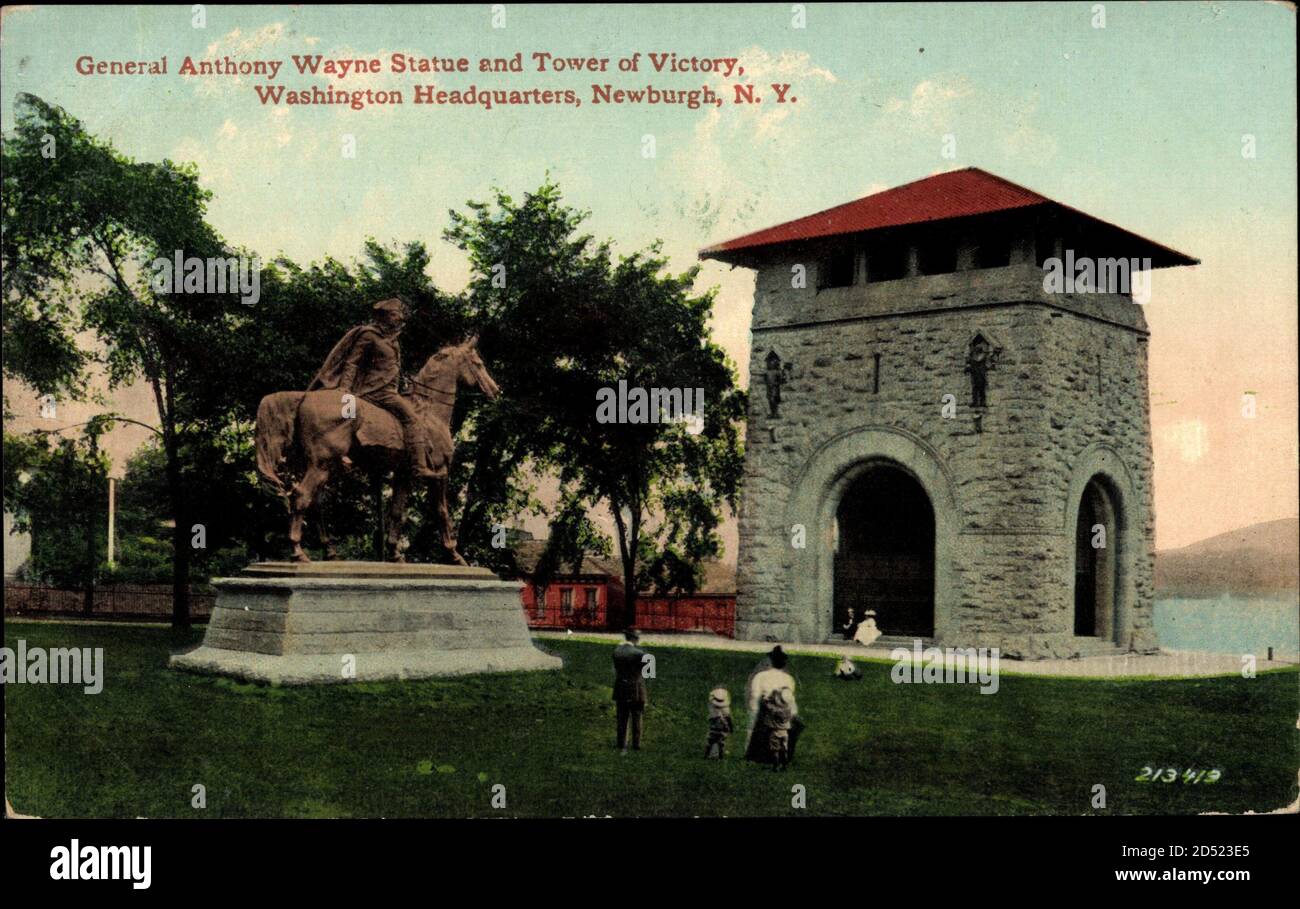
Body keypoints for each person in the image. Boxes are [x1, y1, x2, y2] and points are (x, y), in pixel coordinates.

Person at [309, 297, 436, 478]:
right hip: (377, 392)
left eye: (399, 315)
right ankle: (419, 466)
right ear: (384, 317)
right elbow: (352, 362)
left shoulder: (392, 339)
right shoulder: (369, 335)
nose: (399, 318)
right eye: (394, 315)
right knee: (412, 419)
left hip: (391, 389)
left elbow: (389, 368)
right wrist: (344, 388)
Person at [745, 646, 804, 765]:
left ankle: (760, 755)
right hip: (783, 710)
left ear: (771, 661)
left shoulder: (761, 676)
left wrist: (755, 712)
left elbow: (755, 696)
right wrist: (792, 714)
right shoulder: (789, 679)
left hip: (766, 710)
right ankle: (782, 755)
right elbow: (789, 699)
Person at [612, 628, 648, 753]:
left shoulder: (617, 651)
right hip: (636, 688)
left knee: (622, 717)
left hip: (621, 686)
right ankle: (636, 743)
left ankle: (621, 742)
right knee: (637, 716)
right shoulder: (639, 654)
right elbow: (648, 672)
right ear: (635, 638)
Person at [704, 687, 733, 759]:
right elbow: (728, 718)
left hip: (714, 728)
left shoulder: (712, 708)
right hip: (723, 728)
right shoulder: (726, 709)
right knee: (721, 742)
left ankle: (707, 755)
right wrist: (730, 727)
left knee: (710, 741)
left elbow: (711, 718)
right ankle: (720, 756)